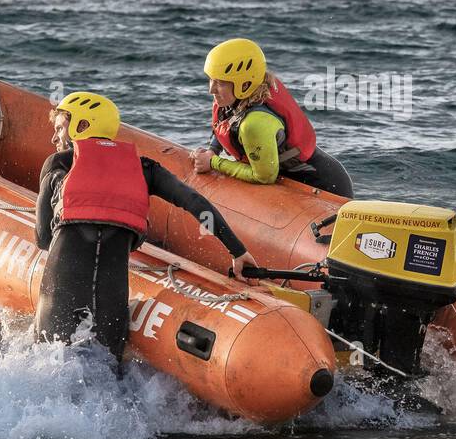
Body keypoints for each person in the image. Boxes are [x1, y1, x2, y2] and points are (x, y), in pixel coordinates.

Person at [35, 90, 257, 363]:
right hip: (112, 294)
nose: (54, 137)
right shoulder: (145, 169)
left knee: (49, 363)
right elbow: (196, 203)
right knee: (109, 374)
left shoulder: (57, 164)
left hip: (61, 289)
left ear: (82, 125)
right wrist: (238, 252)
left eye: (59, 128)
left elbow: (43, 238)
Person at [193, 38, 354, 197]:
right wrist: (212, 150)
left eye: (220, 83)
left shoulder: (254, 123)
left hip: (325, 186)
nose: (211, 90)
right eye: (211, 80)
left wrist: (214, 162)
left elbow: (264, 177)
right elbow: (223, 122)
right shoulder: (236, 97)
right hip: (306, 177)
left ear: (245, 84)